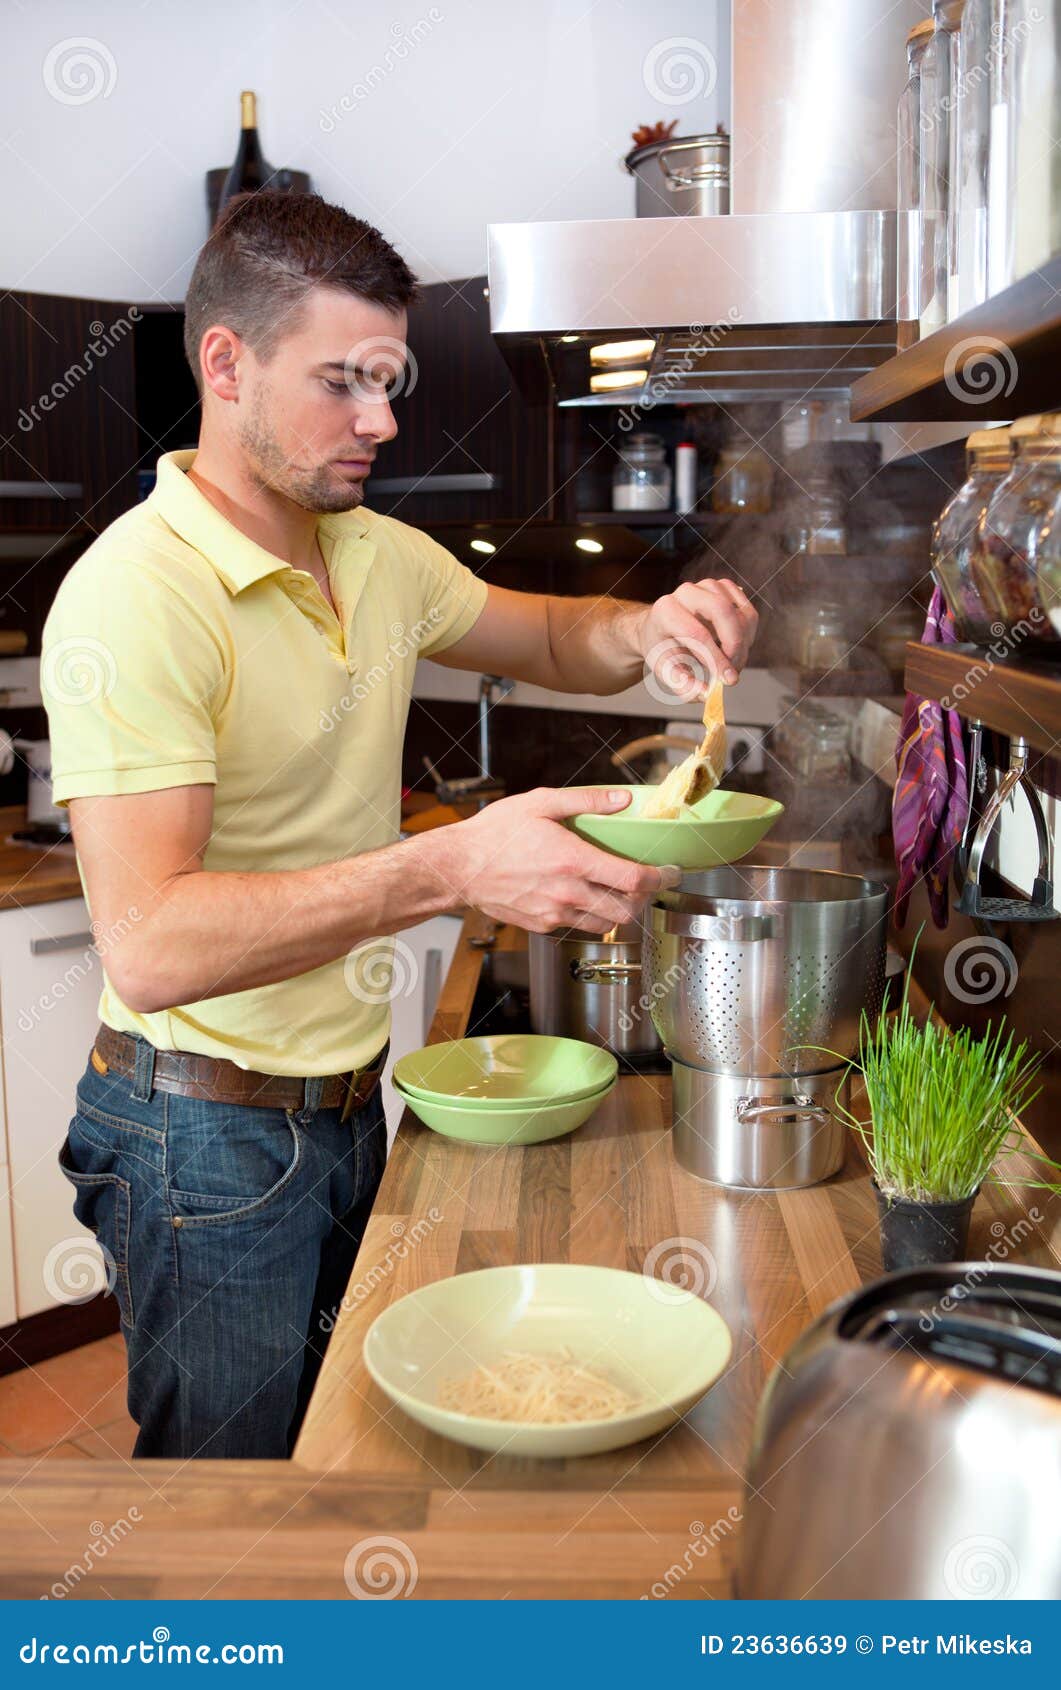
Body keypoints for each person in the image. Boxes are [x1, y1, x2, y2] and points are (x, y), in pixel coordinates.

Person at [41, 191, 758, 1459]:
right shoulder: (136, 598)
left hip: (337, 1104)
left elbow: (546, 634)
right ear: (226, 363)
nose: (380, 419)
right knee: (227, 1508)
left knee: (325, 1467)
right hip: (198, 1140)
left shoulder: (368, 549)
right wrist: (456, 862)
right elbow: (150, 942)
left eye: (386, 379)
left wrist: (648, 630)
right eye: (341, 383)